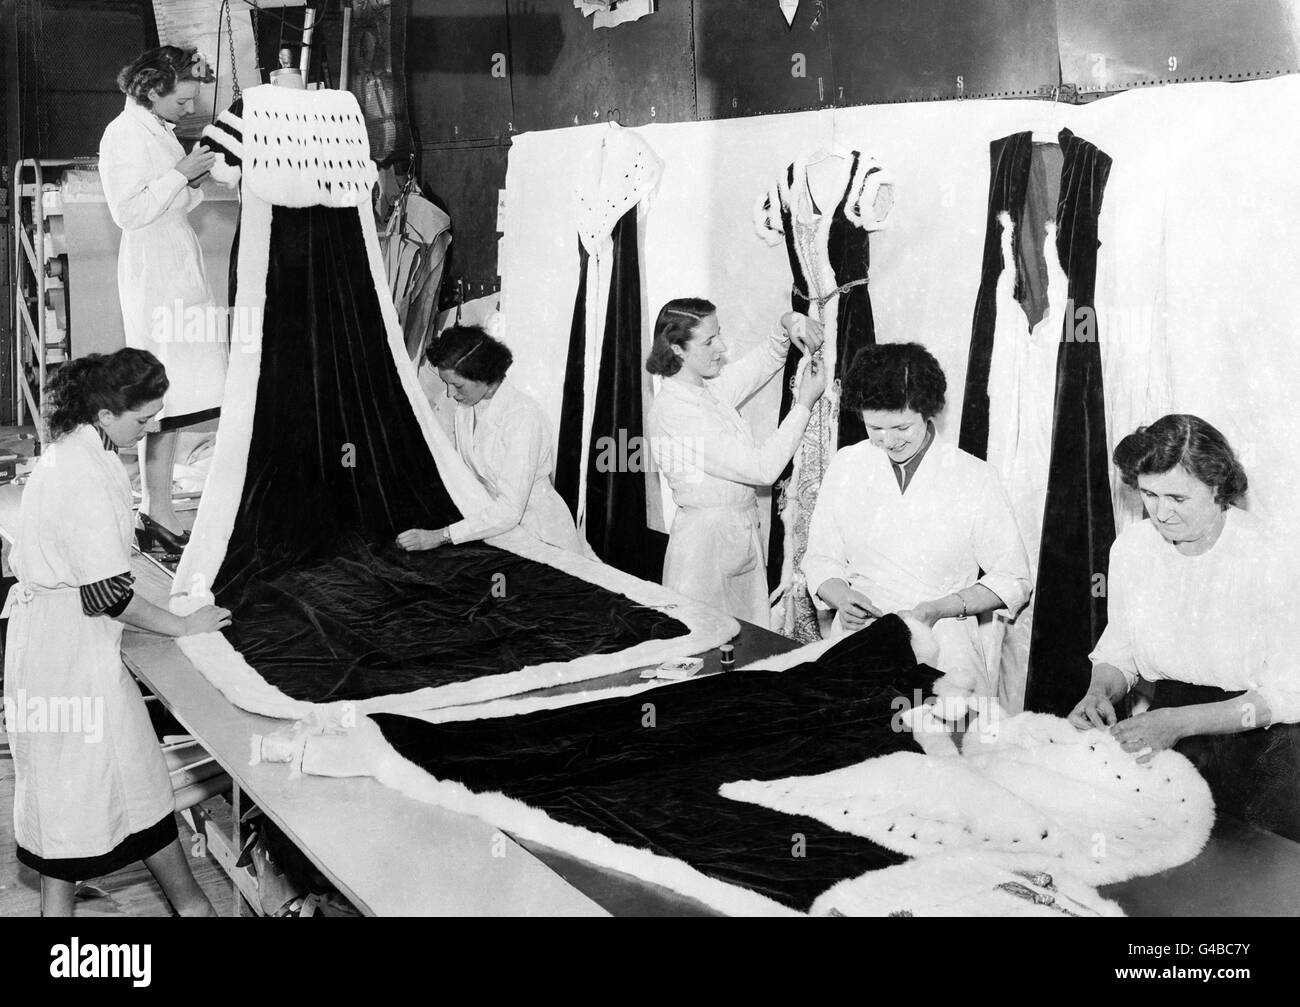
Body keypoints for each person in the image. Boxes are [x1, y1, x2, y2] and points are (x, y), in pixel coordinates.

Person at [4, 349, 231, 916]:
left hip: (52, 641)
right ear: (106, 414)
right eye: (143, 420)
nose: (152, 429)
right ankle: (193, 906)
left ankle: (69, 919)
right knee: (129, 786)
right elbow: (107, 594)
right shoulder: (79, 472)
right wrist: (183, 623)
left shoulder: (80, 449)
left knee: (66, 804)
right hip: (71, 653)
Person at [1068, 415, 1300, 839]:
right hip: (1171, 728)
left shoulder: (1273, 555)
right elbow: (1120, 651)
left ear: (1217, 488)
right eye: (1149, 494)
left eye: (1178, 497)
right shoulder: (1133, 550)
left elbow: (1288, 695)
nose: (1161, 512)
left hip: (1266, 743)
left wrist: (1179, 723)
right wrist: (1099, 690)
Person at [802, 342, 1031, 696]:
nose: (888, 441)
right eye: (875, 428)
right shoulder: (848, 464)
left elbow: (1013, 578)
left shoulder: (974, 476)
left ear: (927, 412)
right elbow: (819, 559)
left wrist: (936, 610)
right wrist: (842, 598)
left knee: (943, 742)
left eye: (901, 428)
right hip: (862, 639)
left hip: (945, 640)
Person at [99, 46, 227, 554]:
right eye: (183, 100)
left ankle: (159, 511)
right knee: (160, 398)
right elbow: (128, 211)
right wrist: (182, 171)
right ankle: (154, 511)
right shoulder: (122, 134)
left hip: (176, 264)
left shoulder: (156, 128)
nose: (190, 109)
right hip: (154, 273)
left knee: (177, 400)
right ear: (153, 90)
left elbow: (174, 198)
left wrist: (194, 176)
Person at [644, 298, 827, 627]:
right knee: (710, 650)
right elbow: (763, 469)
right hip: (704, 553)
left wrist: (784, 326)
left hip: (734, 537)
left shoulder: (705, 390)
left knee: (746, 648)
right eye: (709, 341)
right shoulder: (675, 410)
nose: (722, 347)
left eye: (719, 335)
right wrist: (804, 404)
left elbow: (756, 367)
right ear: (677, 349)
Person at [397, 325, 592, 555]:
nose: (450, 394)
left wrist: (440, 536)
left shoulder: (523, 416)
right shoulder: (465, 409)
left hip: (543, 535)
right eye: (446, 384)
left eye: (457, 385)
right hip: (500, 531)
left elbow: (509, 510)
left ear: (483, 374)